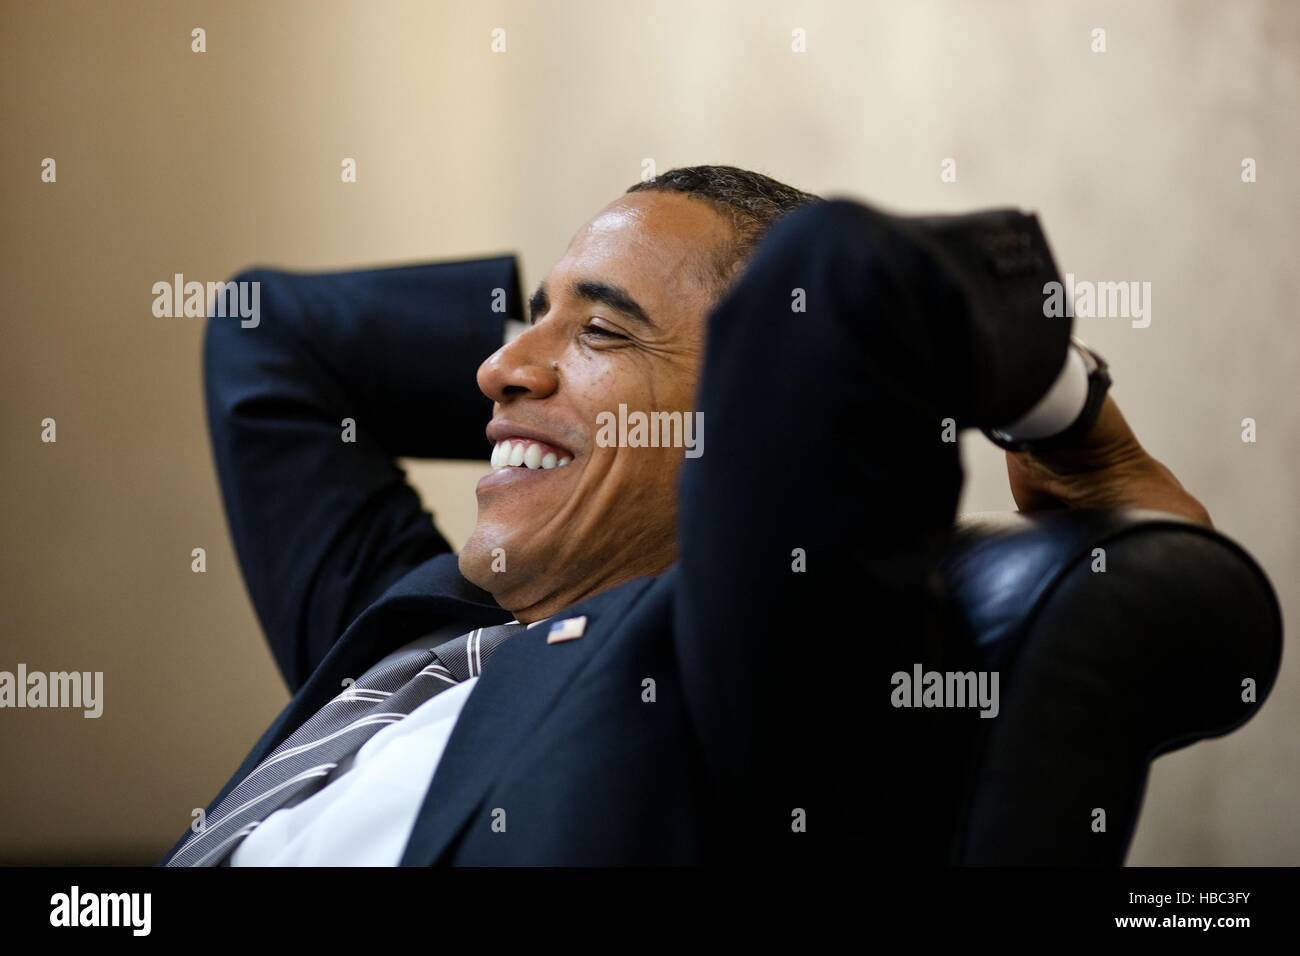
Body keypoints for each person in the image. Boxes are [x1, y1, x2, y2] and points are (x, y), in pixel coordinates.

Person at [162, 166, 1209, 867]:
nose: (492, 368)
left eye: (605, 329)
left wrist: (1068, 421)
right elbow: (270, 336)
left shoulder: (735, 675)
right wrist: (566, 370)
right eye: (532, 324)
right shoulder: (419, 626)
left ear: (747, 424)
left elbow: (845, 274)